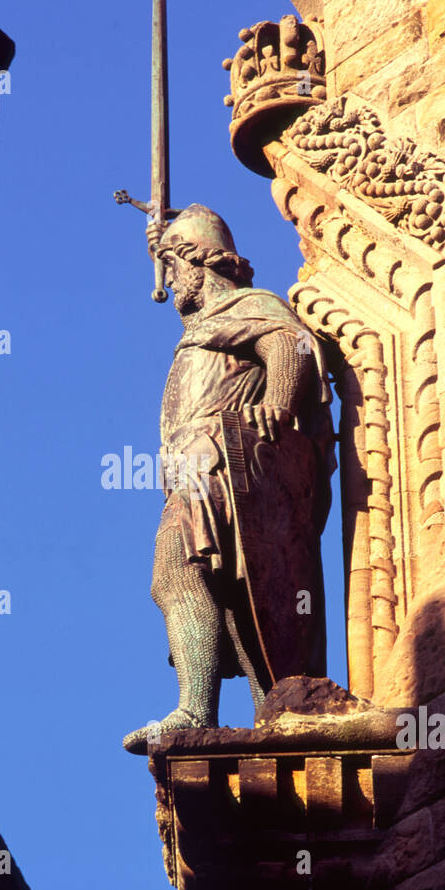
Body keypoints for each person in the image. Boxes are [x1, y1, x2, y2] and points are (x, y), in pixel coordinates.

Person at [123, 204, 335, 753]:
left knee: (180, 567)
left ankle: (198, 710)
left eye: (173, 266)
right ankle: (260, 715)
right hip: (194, 468)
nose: (169, 281)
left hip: (222, 458)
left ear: (198, 262)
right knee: (225, 585)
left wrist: (278, 402)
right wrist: (166, 227)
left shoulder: (250, 306)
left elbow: (290, 345)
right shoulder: (209, 326)